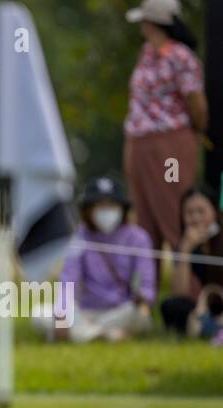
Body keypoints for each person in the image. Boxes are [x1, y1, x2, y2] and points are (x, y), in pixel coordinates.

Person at [122, 0, 208, 286]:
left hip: (170, 146)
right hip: (140, 143)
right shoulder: (146, 54)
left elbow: (196, 104)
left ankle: (192, 291)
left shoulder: (181, 58)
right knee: (145, 219)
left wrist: (193, 134)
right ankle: (147, 292)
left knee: (173, 211)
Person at [48, 177, 155, 343]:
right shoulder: (79, 238)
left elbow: (146, 287)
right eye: (100, 206)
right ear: (88, 210)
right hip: (88, 311)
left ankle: (87, 333)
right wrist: (62, 314)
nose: (106, 211)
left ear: (122, 209)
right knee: (40, 315)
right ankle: (106, 334)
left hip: (123, 311)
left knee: (139, 316)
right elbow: (68, 282)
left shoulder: (139, 238)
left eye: (112, 205)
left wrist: (142, 296)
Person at [161, 186, 223, 343]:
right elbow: (180, 293)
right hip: (205, 308)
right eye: (189, 213)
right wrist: (186, 250)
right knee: (171, 306)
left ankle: (207, 329)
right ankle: (209, 328)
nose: (196, 218)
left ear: (214, 212)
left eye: (201, 211)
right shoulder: (185, 245)